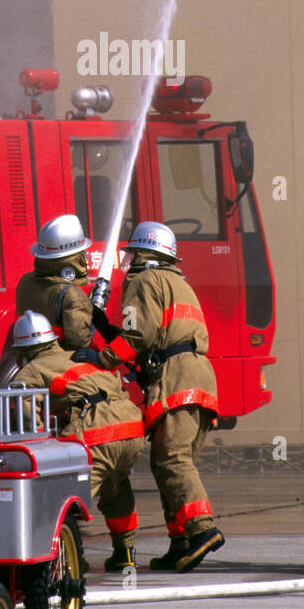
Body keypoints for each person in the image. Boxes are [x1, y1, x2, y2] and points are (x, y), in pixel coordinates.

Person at [98, 221, 223, 573]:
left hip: (178, 377)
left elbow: (138, 334)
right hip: (200, 376)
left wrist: (103, 357)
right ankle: (180, 542)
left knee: (172, 459)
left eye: (132, 253)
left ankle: (202, 529)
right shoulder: (177, 282)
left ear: (142, 253)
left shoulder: (143, 281)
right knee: (168, 460)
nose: (129, 260)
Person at [10, 310, 145, 571]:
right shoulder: (76, 355)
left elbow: (27, 412)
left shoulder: (32, 370)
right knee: (115, 487)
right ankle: (125, 552)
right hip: (131, 427)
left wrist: (40, 443)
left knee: (66, 498)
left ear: (25, 349)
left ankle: (64, 562)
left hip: (98, 432)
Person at [15, 215, 97, 351]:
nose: (86, 257)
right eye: (82, 253)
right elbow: (80, 344)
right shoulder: (72, 295)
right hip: (63, 367)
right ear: (73, 259)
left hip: (33, 363)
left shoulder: (25, 281)